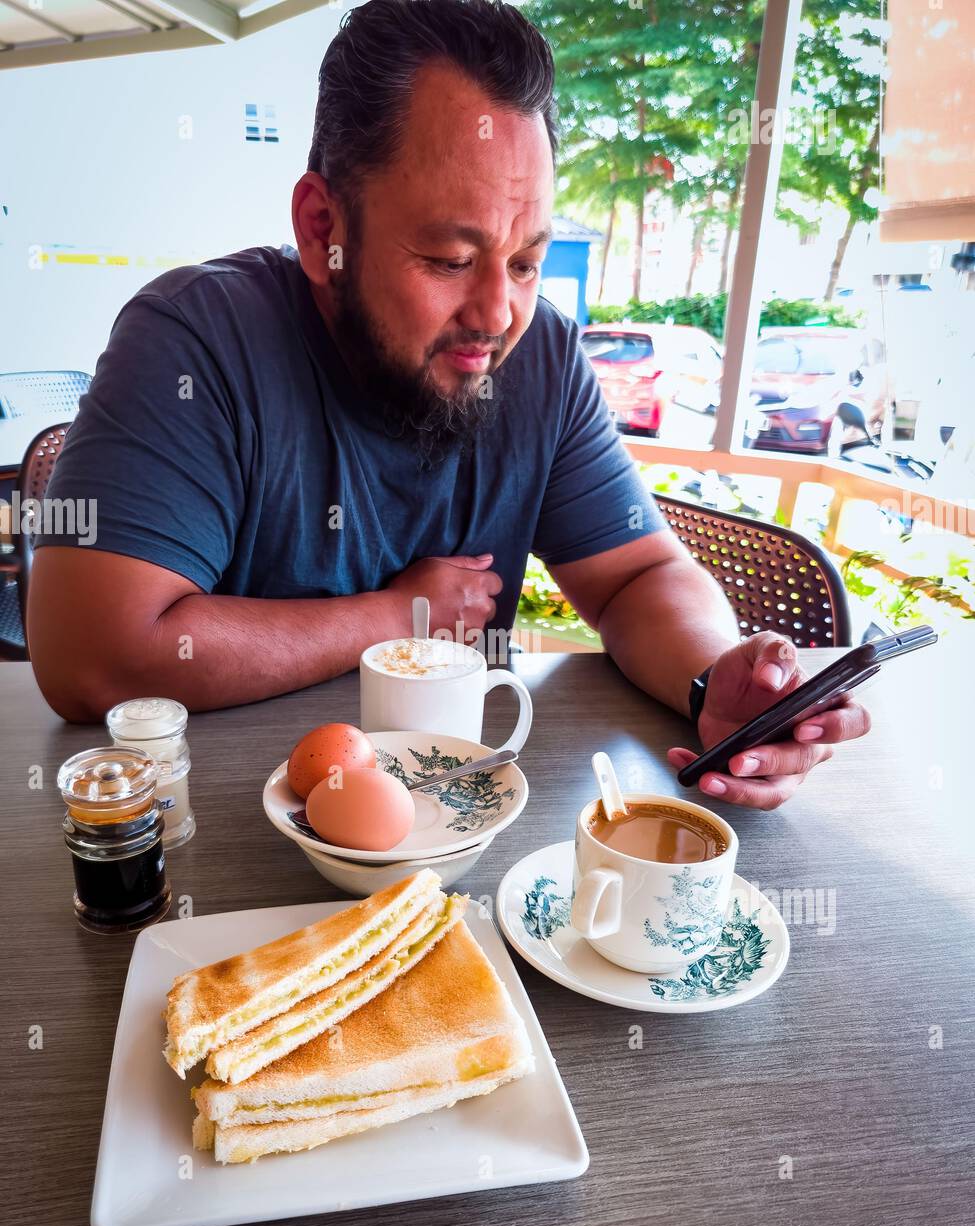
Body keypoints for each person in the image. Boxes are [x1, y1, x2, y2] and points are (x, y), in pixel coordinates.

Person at [28, 0, 869, 810]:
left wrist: (710, 680)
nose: (498, 314)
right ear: (325, 228)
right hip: (217, 839)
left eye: (528, 262)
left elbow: (636, 577)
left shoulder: (538, 359)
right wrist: (400, 617)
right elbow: (93, 660)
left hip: (460, 847)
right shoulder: (196, 341)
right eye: (446, 258)